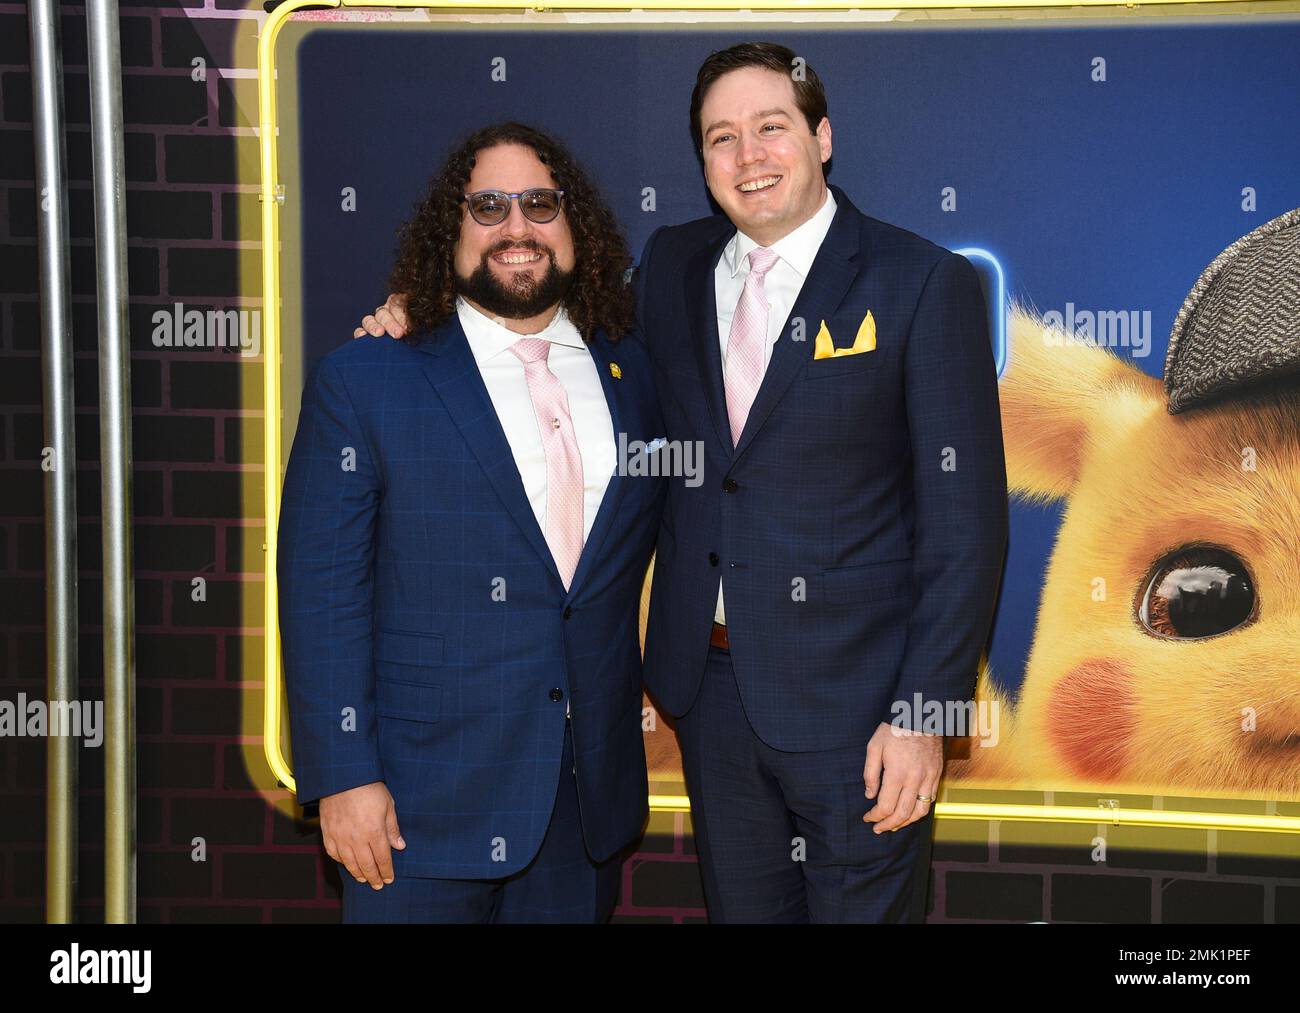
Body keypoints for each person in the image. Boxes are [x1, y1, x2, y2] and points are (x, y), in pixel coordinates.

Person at [357, 42, 1008, 924]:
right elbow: (540, 316)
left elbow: (965, 526)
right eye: (721, 138)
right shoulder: (672, 265)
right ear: (701, 163)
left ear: (823, 137)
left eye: (772, 128)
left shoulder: (923, 283)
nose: (749, 156)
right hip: (709, 697)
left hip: (864, 713)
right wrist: (417, 318)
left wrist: (923, 714)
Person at [282, 122, 665, 923]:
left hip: (580, 805)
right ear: (449, 231)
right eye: (487, 206)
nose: (516, 227)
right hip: (414, 808)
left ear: (575, 224)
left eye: (539, 203)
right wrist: (343, 776)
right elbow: (322, 594)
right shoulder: (367, 378)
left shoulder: (633, 372)